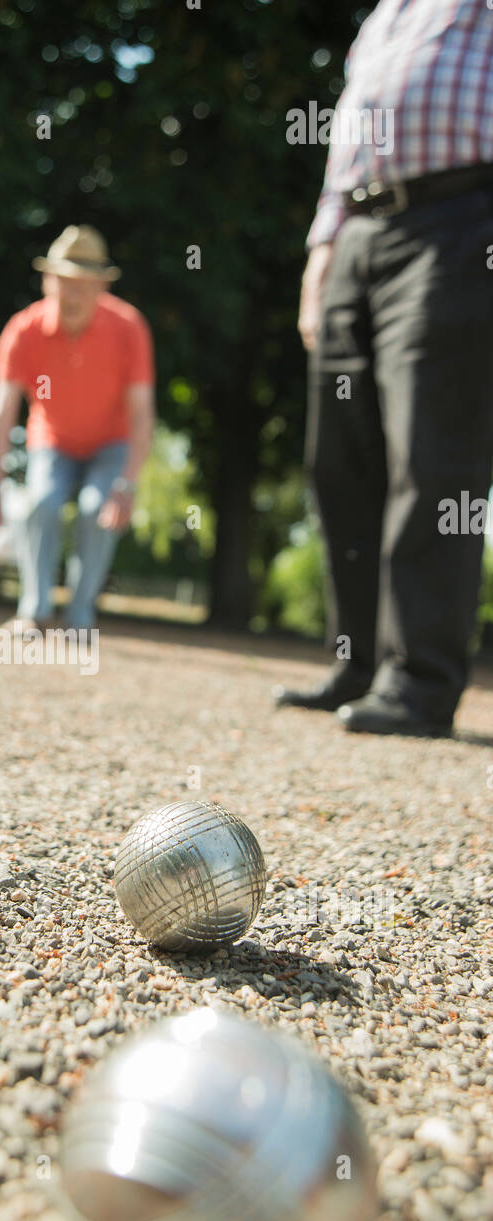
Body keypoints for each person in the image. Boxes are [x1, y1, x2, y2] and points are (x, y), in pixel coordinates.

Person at [274, 0, 493, 736]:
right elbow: (345, 153)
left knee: (431, 458)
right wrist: (322, 251)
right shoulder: (384, 16)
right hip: (360, 234)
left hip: (461, 222)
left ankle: (420, 682)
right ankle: (358, 661)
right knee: (342, 457)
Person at [0, 225, 154, 632]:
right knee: (41, 501)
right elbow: (0, 412)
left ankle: (79, 617)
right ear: (47, 281)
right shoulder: (22, 330)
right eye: (64, 282)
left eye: (85, 284)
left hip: (113, 440)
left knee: (98, 509)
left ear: (102, 287)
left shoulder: (129, 327)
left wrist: (126, 485)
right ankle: (34, 611)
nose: (73, 294)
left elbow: (142, 412)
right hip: (51, 437)